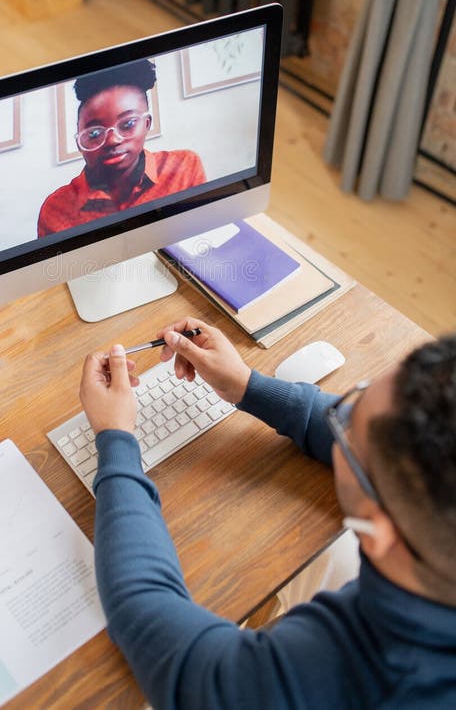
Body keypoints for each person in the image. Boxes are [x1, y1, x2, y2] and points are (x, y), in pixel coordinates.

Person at [79, 319, 456, 709]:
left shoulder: (333, 676)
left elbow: (145, 612)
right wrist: (247, 385)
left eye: (346, 426)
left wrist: (115, 437)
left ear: (378, 532)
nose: (337, 415)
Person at [38, 59, 206, 236]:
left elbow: (204, 238)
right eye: (94, 133)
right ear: (79, 143)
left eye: (128, 124)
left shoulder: (184, 168)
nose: (112, 140)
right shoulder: (55, 209)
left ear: (147, 124)